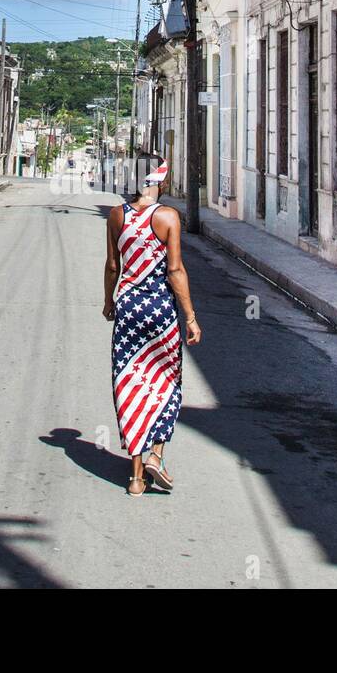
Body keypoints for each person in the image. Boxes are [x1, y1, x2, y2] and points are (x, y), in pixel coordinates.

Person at [102, 156, 201, 496]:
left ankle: (134, 477)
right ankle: (156, 455)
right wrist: (189, 315)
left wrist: (108, 301)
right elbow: (175, 271)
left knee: (129, 382)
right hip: (160, 310)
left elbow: (113, 265)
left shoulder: (118, 215)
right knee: (164, 381)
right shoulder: (168, 217)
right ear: (159, 181)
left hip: (129, 309)